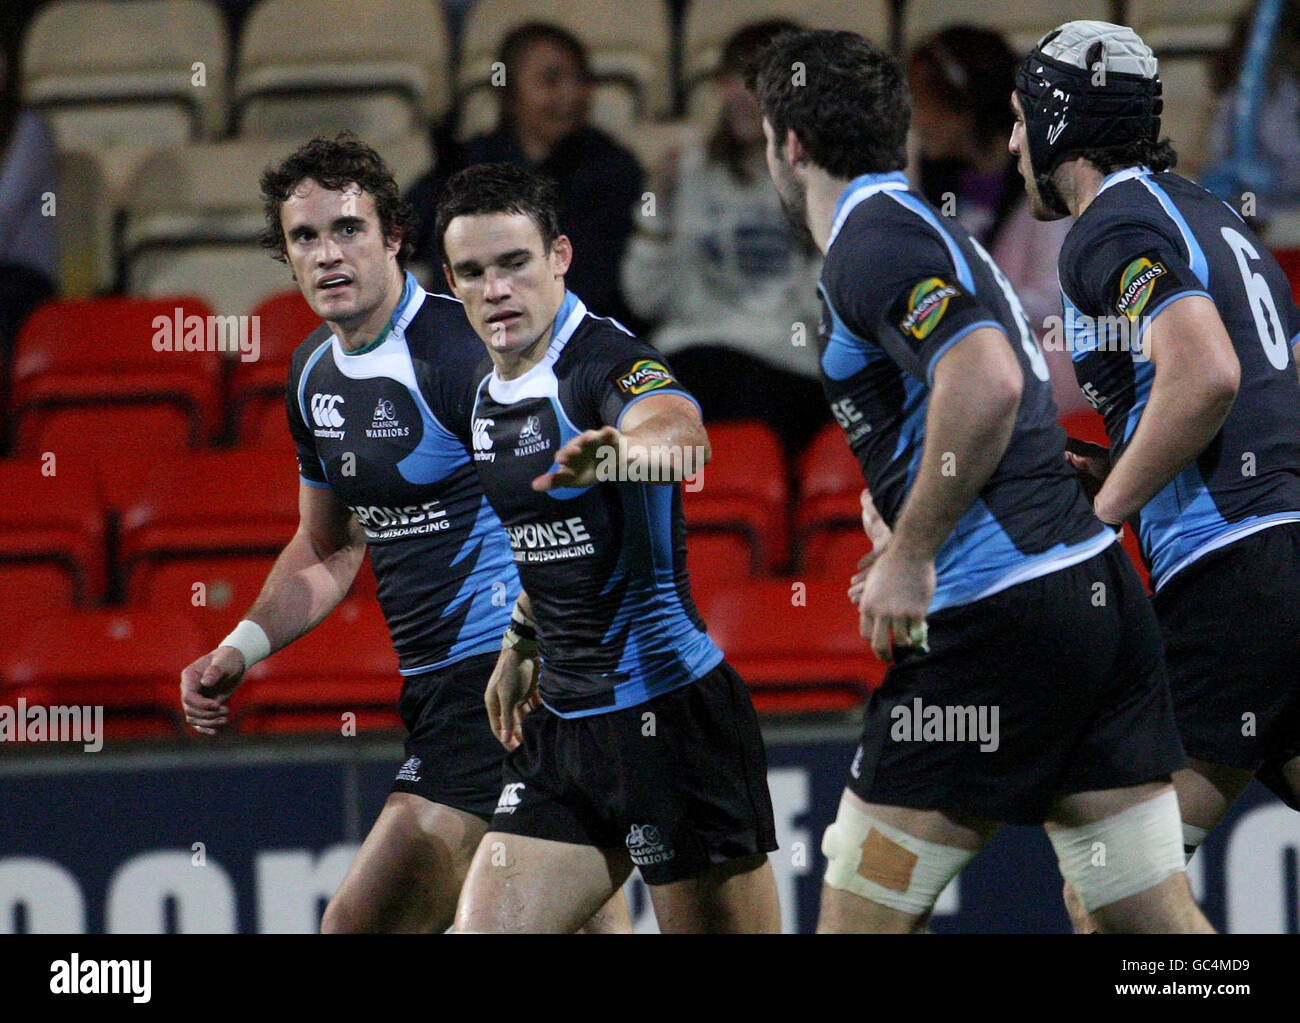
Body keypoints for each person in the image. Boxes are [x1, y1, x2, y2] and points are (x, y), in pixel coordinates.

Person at [751, 29, 1211, 934]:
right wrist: (901, 505)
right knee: (1155, 936)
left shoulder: (870, 243)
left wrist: (914, 554)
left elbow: (988, 377)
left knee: (860, 919)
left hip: (998, 622)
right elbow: (957, 400)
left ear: (789, 143)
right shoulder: (914, 226)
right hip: (1090, 604)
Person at [178, 133, 628, 934]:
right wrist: (239, 647)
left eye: (348, 229)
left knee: (361, 924)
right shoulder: (313, 372)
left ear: (394, 234)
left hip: (512, 682)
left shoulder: (465, 353)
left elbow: (576, 513)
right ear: (285, 256)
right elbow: (329, 545)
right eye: (304, 237)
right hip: (440, 691)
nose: (327, 254)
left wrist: (540, 648)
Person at [434, 162, 781, 933]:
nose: (495, 289)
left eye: (514, 263)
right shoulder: (489, 393)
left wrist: (625, 453)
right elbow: (558, 541)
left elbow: (679, 436)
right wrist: (522, 636)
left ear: (559, 256)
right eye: (473, 271)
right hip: (561, 725)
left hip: (670, 719)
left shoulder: (603, 360)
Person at [1011, 19, 1300, 924]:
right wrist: (1122, 459)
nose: (1012, 142)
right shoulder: (1213, 217)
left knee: (1109, 888)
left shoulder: (1108, 229)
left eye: (1020, 118)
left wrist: (1105, 510)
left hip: (1235, 578)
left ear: (1057, 123)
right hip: (1283, 563)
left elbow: (1206, 372)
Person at [620, 19, 828, 455]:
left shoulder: (826, 181)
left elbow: (824, 314)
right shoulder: (687, 170)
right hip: (693, 355)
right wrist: (655, 203)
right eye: (731, 78)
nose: (738, 94)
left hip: (784, 365)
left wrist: (818, 216)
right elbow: (644, 299)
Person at [407, 22, 643, 325]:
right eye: (551, 81)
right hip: (471, 340)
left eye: (580, 80)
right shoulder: (466, 164)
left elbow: (603, 282)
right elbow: (402, 233)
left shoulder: (613, 167)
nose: (571, 94)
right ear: (510, 96)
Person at [908, 25, 1083, 415]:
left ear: (965, 103)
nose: (916, 121)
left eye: (924, 105)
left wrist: (960, 300)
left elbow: (1056, 300)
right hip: (967, 351)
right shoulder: (930, 174)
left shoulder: (1044, 178)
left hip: (1045, 365)